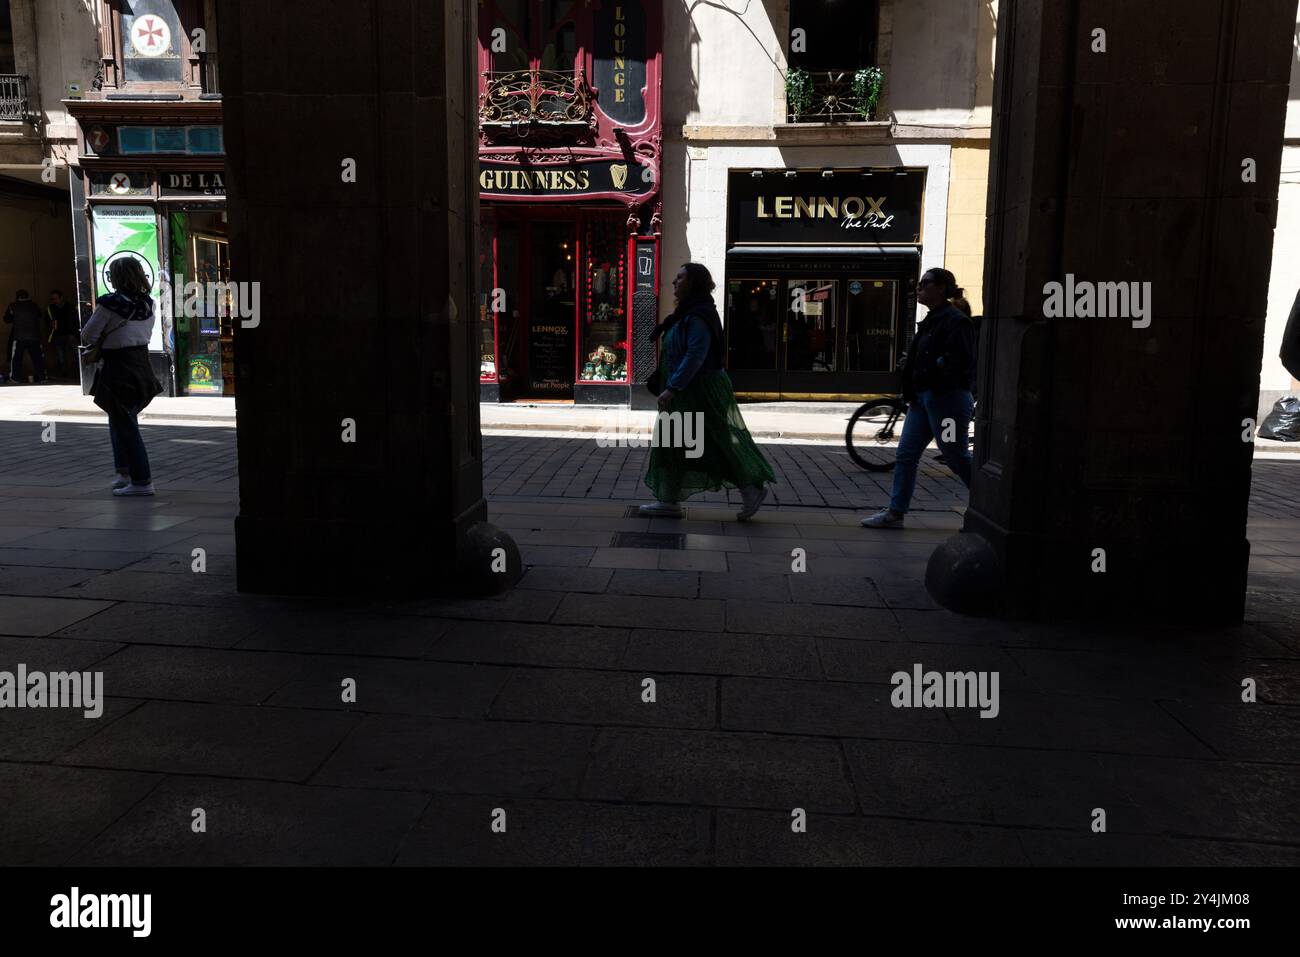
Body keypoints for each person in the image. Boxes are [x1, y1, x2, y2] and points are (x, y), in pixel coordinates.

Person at [641, 262, 775, 520]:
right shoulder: (687, 313)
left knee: (716, 441)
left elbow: (695, 355)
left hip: (698, 391)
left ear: (693, 283)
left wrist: (671, 388)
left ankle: (751, 488)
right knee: (673, 444)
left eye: (680, 277)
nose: (674, 282)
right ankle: (669, 500)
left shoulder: (699, 315)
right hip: (685, 391)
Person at [862, 267, 975, 529]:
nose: (919, 288)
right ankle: (895, 513)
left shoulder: (956, 321)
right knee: (906, 455)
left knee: (956, 456)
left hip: (947, 401)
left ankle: (987, 508)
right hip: (922, 400)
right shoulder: (931, 319)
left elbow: (961, 361)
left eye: (925, 284)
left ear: (942, 289)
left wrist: (934, 374)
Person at [81, 258, 163, 496]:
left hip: (118, 369)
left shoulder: (110, 304)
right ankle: (123, 472)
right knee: (121, 420)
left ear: (116, 277)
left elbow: (88, 335)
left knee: (126, 426)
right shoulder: (148, 303)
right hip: (142, 367)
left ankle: (142, 481)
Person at [3, 290, 47, 383]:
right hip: (34, 336)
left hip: (19, 337)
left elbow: (7, 319)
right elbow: (39, 315)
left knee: (16, 359)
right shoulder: (34, 305)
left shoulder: (12, 305)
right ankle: (42, 377)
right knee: (38, 357)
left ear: (17, 297)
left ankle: (15, 378)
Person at [46, 290, 82, 380]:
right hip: (58, 334)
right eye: (52, 299)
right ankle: (64, 374)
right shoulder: (50, 308)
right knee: (61, 356)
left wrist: (74, 333)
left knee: (77, 354)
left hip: (71, 334)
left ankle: (81, 374)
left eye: (55, 298)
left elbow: (76, 320)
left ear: (61, 298)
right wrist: (50, 325)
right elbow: (47, 321)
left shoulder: (70, 307)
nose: (54, 300)